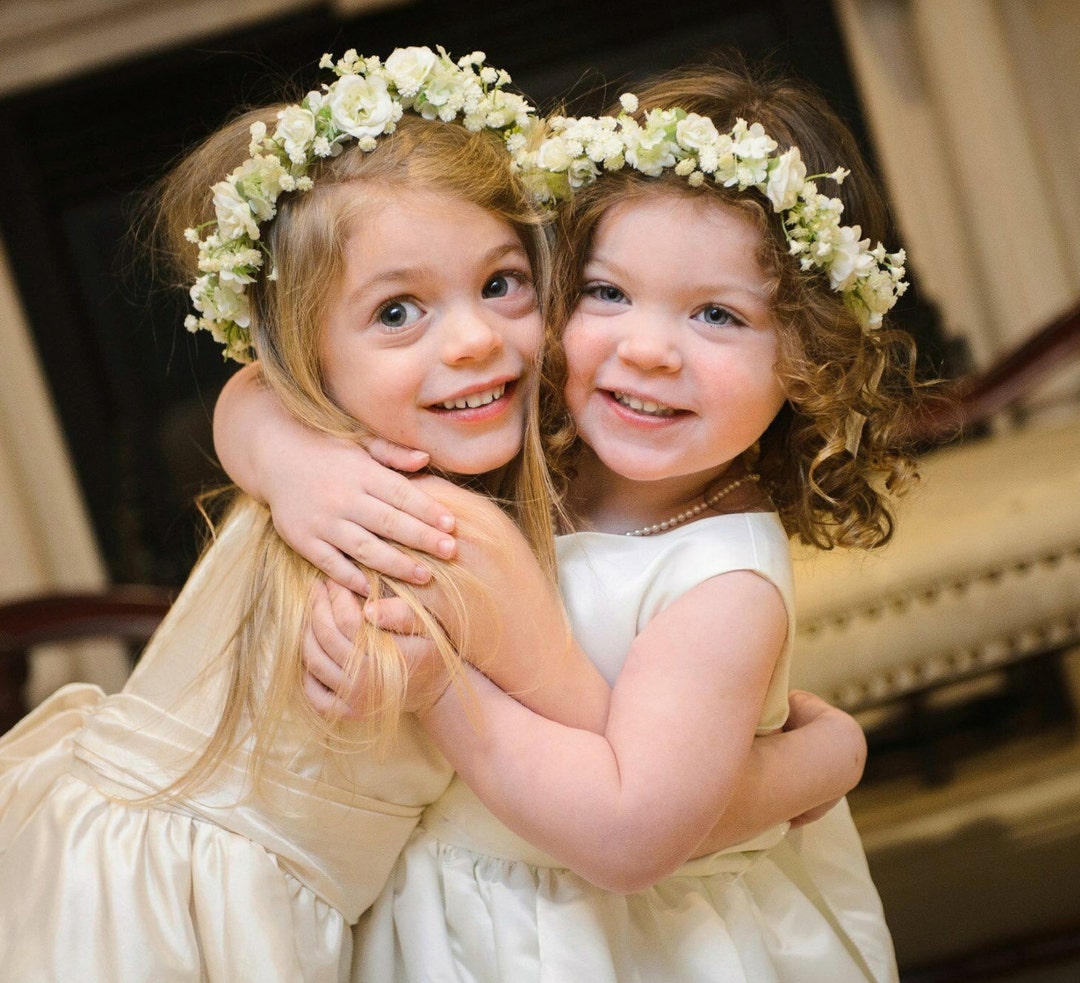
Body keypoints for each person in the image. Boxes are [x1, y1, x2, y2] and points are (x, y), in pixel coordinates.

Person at [0, 48, 866, 982]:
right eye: (400, 310)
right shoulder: (438, 524)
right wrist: (823, 757)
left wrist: (288, 457)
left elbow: (619, 788)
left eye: (501, 284)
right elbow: (619, 783)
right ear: (302, 350)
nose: (471, 341)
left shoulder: (409, 460)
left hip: (98, 867)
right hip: (189, 920)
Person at [214, 62, 921, 982]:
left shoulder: (723, 586)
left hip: (624, 941)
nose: (649, 349)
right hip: (460, 914)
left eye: (716, 313)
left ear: (810, 355)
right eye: (608, 293)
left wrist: (444, 694)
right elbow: (256, 388)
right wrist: (295, 463)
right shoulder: (523, 440)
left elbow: (630, 835)